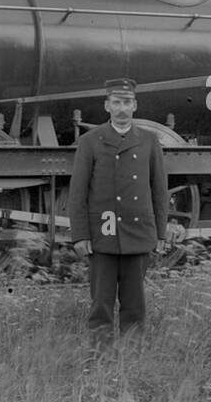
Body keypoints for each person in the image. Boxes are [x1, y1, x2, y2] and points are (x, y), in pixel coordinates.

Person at [68, 78, 170, 344]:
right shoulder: (90, 141)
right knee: (101, 302)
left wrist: (160, 232)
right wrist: (80, 235)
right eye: (116, 102)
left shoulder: (149, 140)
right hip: (103, 234)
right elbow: (77, 191)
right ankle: (99, 353)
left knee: (135, 303)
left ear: (135, 105)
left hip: (138, 233)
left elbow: (159, 190)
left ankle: (132, 353)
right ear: (107, 105)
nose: (122, 108)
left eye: (127, 102)